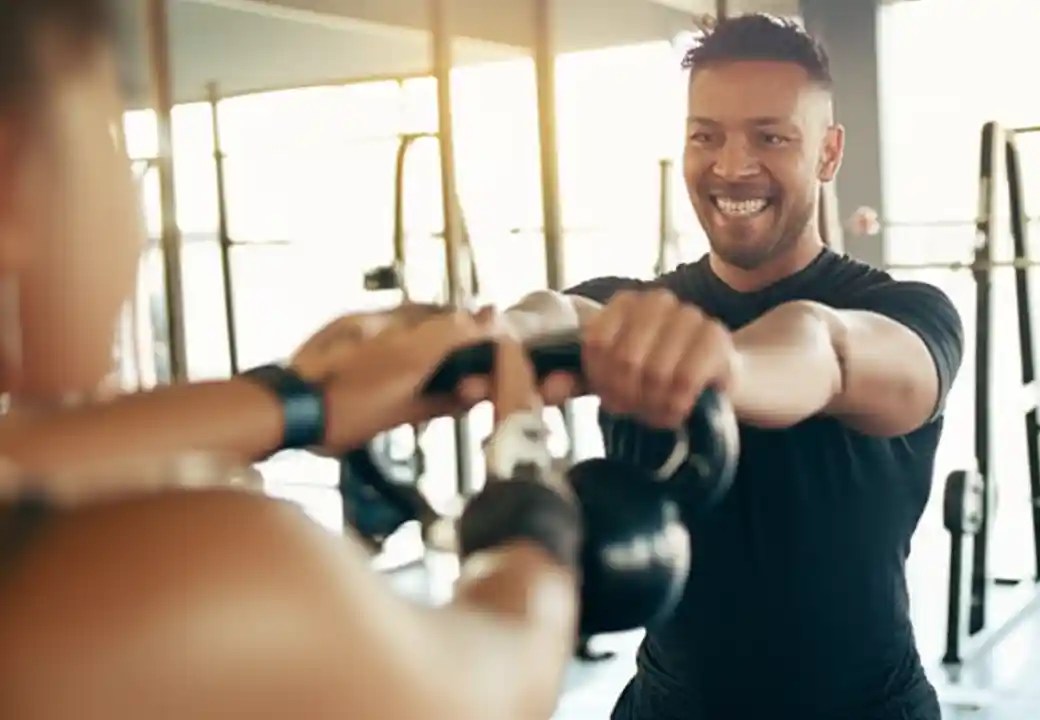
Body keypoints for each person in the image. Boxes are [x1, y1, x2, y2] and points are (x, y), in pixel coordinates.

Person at [0, 1, 584, 717]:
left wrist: (304, 398)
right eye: (108, 129)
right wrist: (527, 473)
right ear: (11, 170)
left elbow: (25, 460)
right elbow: (503, 675)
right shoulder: (191, 578)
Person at [503, 14, 964, 720]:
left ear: (829, 152)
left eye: (771, 137)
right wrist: (495, 334)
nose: (730, 166)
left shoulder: (907, 314)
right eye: (705, 135)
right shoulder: (631, 309)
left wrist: (717, 365)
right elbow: (556, 315)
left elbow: (825, 351)